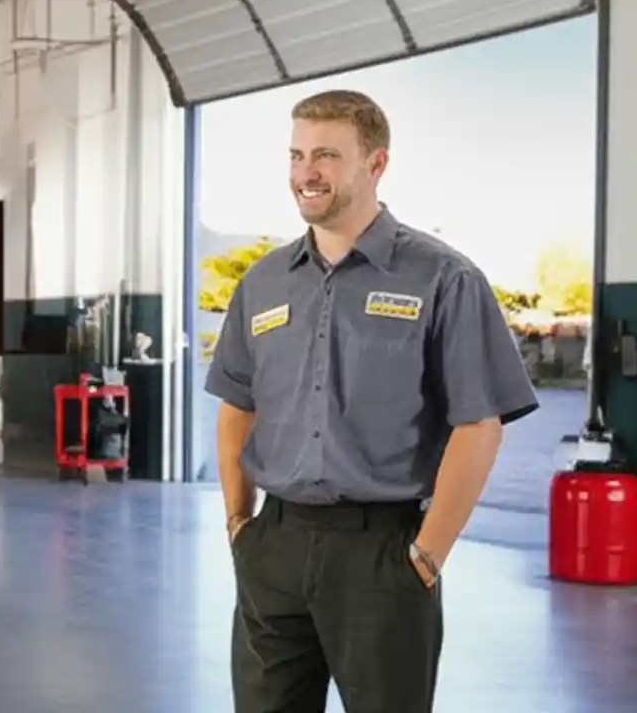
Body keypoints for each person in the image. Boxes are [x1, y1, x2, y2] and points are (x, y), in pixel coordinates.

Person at [205, 89, 538, 712]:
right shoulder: (264, 282)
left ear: (376, 164)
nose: (307, 172)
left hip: (381, 552)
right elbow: (236, 404)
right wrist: (238, 524)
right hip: (274, 544)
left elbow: (479, 425)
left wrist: (426, 553)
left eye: (327, 155)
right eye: (298, 154)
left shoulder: (443, 278)